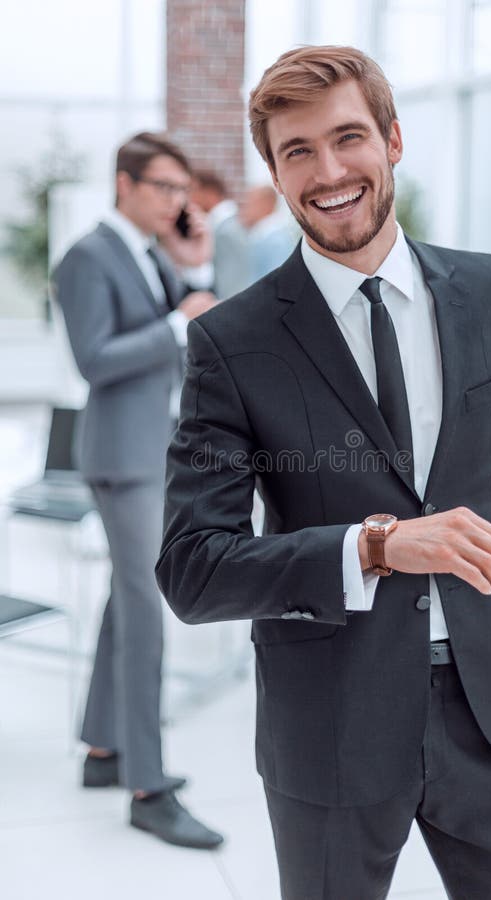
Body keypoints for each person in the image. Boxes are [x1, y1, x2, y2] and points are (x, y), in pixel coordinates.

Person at [156, 47, 491, 898]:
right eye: (297, 152)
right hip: (330, 723)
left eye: (347, 138)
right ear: (275, 177)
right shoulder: (230, 343)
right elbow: (193, 569)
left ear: (392, 140)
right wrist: (376, 547)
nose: (328, 172)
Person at [54, 131, 223, 850]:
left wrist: (192, 263)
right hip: (122, 458)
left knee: (127, 611)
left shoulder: (146, 252)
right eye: (164, 188)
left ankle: (103, 750)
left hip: (152, 451)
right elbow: (95, 360)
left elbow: (199, 308)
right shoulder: (87, 257)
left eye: (181, 191)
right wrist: (175, 322)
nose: (175, 202)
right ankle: (147, 788)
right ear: (123, 183)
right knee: (147, 614)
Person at [189, 169, 250, 300]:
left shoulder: (227, 230)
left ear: (209, 192)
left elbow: (233, 285)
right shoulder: (226, 225)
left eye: (193, 191)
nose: (190, 198)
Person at [239, 184, 295, 281]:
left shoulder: (276, 241)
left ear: (266, 204)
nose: (244, 209)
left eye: (250, 203)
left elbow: (276, 281)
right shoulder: (261, 235)